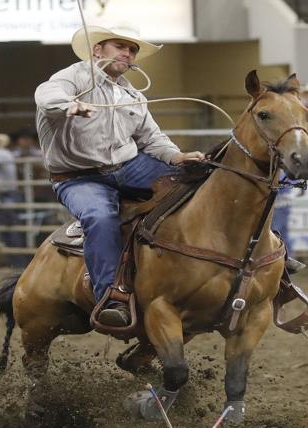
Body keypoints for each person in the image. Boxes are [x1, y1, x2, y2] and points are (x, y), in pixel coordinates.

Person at [34, 22, 206, 328]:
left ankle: (246, 263)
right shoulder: (73, 78)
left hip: (129, 167)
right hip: (78, 177)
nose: (127, 54)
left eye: (132, 50)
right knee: (99, 217)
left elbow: (152, 139)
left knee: (198, 183)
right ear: (97, 50)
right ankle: (110, 297)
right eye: (120, 46)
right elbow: (46, 95)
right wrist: (69, 106)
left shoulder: (132, 95)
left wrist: (177, 157)